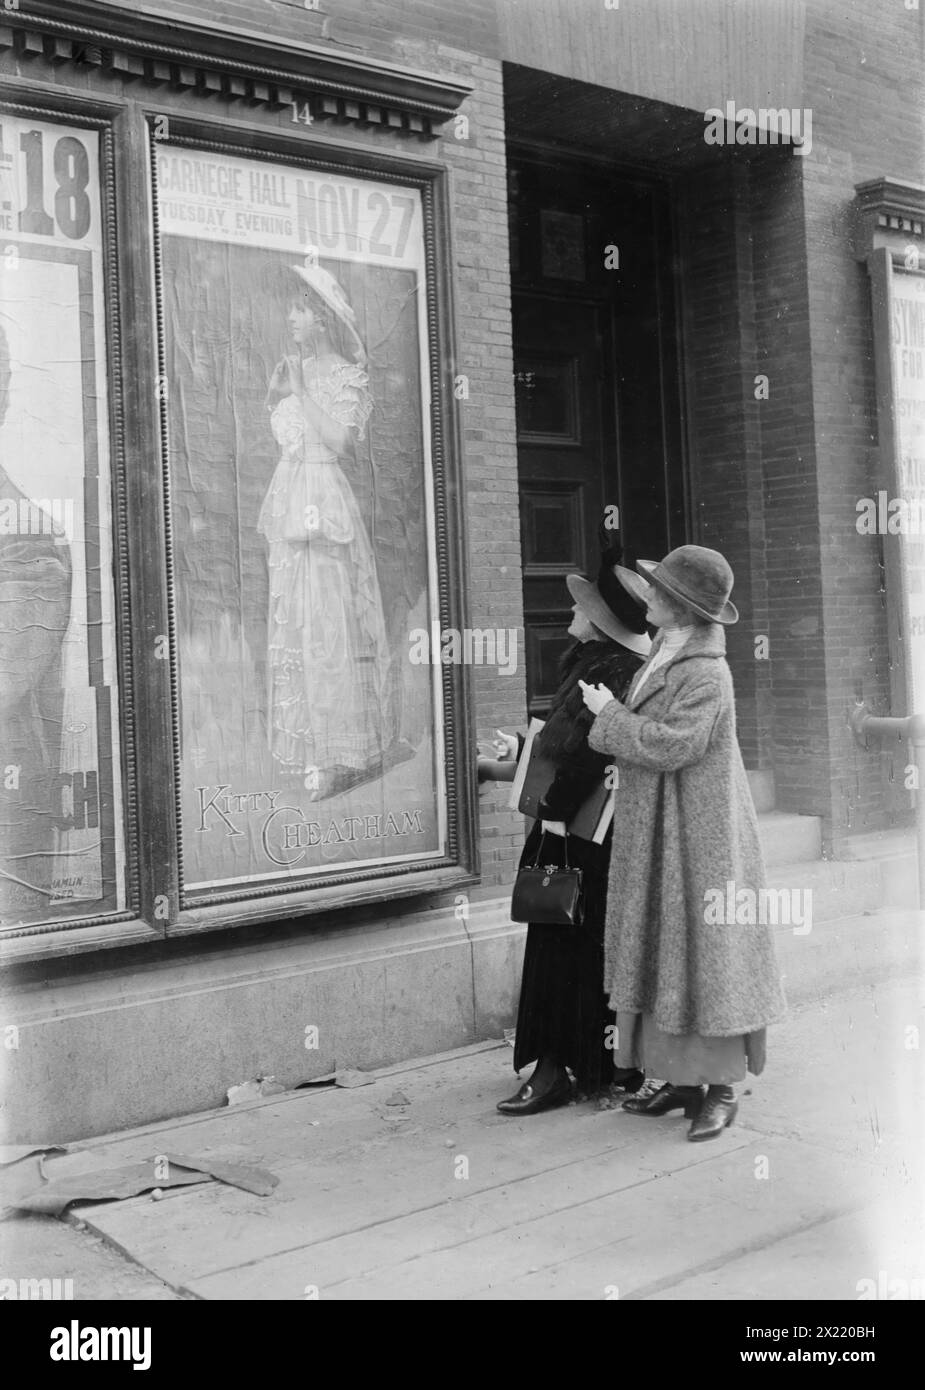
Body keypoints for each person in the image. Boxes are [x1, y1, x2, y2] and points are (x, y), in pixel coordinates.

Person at [580, 545, 786, 1141]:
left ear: (678, 605)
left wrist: (610, 715)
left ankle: (720, 1088)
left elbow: (675, 745)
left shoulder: (705, 671)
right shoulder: (668, 654)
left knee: (706, 953)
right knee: (669, 947)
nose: (648, 597)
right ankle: (677, 1078)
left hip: (700, 838)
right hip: (660, 829)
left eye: (657, 591)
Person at [479, 535, 652, 1115]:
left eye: (582, 608)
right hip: (597, 832)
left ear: (601, 625)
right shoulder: (619, 665)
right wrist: (525, 747)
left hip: (576, 834)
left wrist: (551, 819)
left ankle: (553, 1070)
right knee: (590, 945)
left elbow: (587, 755)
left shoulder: (603, 669)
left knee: (560, 943)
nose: (572, 613)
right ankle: (601, 1064)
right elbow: (569, 744)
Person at [258, 256, 391, 800]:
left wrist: (300, 389)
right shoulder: (297, 370)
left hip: (323, 500)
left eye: (300, 312)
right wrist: (280, 394)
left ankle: (335, 753)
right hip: (291, 496)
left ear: (320, 318)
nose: (291, 320)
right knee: (294, 624)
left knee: (328, 629)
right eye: (290, 310)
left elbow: (339, 443)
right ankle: (310, 745)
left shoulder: (345, 375)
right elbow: (288, 433)